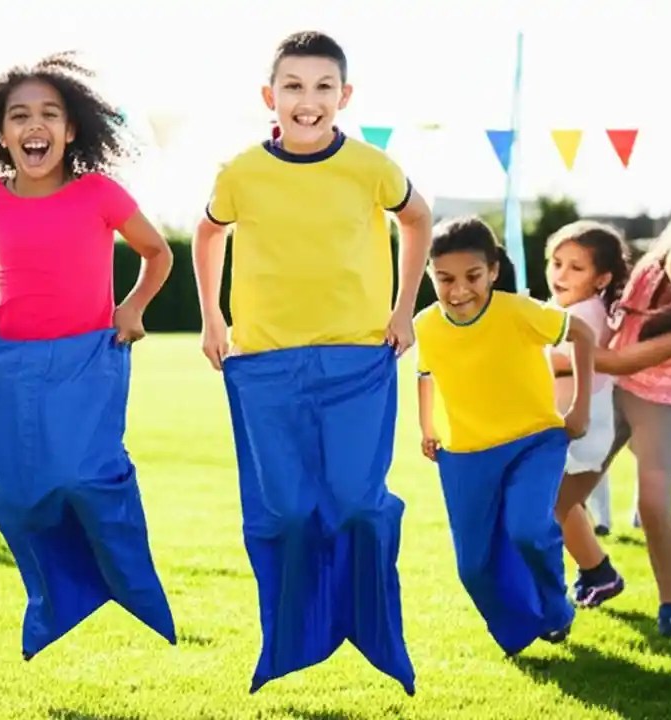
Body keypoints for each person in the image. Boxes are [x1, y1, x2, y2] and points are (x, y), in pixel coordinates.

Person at [191, 31, 431, 694]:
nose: (308, 100)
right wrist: (213, 316)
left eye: (323, 87)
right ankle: (293, 638)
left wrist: (405, 304)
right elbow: (208, 231)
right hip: (266, 362)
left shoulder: (371, 166)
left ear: (344, 96)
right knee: (290, 511)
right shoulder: (240, 172)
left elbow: (418, 218)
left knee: (356, 501)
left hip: (359, 359)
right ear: (270, 96)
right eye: (293, 86)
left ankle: (374, 630)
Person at [0, 51, 177, 660]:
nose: (35, 125)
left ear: (71, 128)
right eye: (20, 115)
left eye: (49, 114)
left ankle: (128, 582)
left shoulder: (98, 193)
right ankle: (64, 595)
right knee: (13, 495)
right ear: (0, 133)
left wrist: (130, 310)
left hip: (87, 360)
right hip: (15, 364)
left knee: (87, 477)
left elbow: (157, 253)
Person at [553, 203, 671, 638]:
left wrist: (550, 353)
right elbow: (604, 318)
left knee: (653, 505)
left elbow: (624, 359)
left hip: (666, 405)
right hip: (614, 395)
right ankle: (596, 572)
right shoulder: (648, 272)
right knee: (560, 497)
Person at [416, 217, 596, 656]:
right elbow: (426, 373)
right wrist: (427, 427)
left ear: (493, 270)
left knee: (529, 530)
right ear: (429, 276)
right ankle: (519, 629)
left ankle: (556, 610)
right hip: (465, 454)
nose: (459, 290)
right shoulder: (425, 325)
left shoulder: (518, 310)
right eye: (445, 279)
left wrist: (579, 408)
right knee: (473, 568)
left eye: (472, 277)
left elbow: (584, 334)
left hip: (534, 441)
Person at [543, 221, 631, 554]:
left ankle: (592, 568)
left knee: (554, 507)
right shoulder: (566, 309)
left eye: (576, 268)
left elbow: (557, 359)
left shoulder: (584, 315)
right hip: (577, 427)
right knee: (562, 507)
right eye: (556, 263)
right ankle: (592, 569)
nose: (561, 274)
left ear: (602, 280)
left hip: (581, 427)